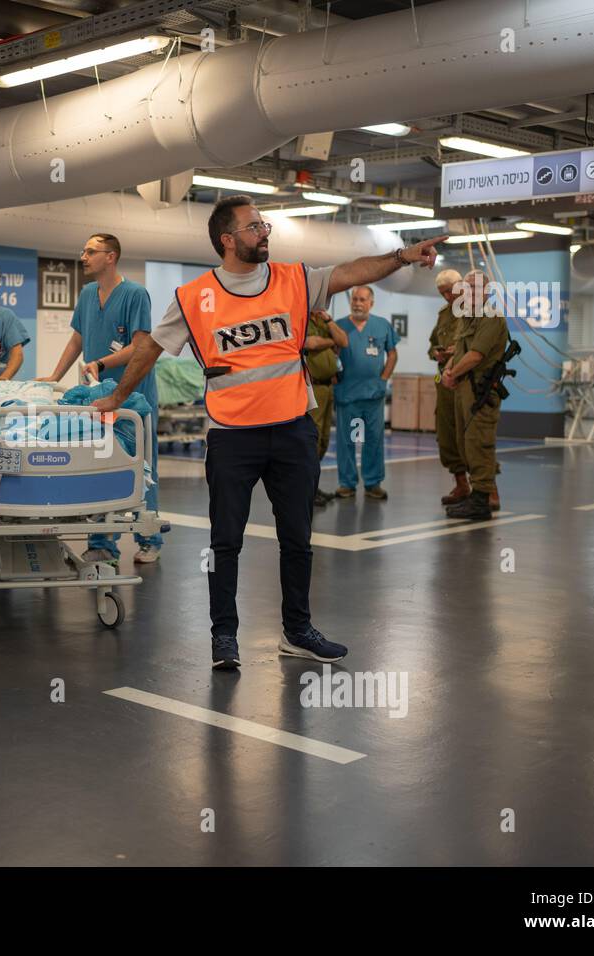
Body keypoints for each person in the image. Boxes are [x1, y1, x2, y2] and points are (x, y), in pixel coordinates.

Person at [92, 195, 444, 669]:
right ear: (227, 240)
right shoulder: (195, 297)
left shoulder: (293, 279)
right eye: (255, 227)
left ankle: (297, 631)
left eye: (264, 225)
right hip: (232, 436)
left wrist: (402, 256)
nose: (265, 233)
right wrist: (115, 398)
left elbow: (351, 272)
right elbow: (151, 347)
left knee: (297, 538)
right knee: (225, 542)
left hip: (292, 431)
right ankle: (223, 636)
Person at [38, 233, 163, 565]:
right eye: (83, 251)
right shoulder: (88, 293)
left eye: (91, 251)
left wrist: (103, 363)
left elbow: (141, 346)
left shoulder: (135, 294)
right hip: (96, 398)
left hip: (132, 397)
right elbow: (77, 338)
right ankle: (102, 544)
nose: (84, 256)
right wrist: (54, 374)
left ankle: (149, 536)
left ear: (111, 256)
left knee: (142, 466)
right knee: (98, 465)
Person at [442, 269, 508, 520]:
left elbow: (476, 355)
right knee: (464, 443)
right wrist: (449, 371)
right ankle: (475, 495)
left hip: (480, 389)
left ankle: (482, 498)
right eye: (467, 287)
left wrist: (453, 373)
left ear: (487, 292)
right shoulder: (466, 317)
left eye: (475, 288)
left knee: (479, 442)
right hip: (463, 388)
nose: (469, 292)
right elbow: (459, 350)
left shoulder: (491, 317)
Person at [333, 285, 397, 500]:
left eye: (362, 299)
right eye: (354, 299)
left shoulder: (382, 326)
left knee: (373, 439)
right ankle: (347, 483)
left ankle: (373, 483)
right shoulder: (339, 326)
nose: (357, 303)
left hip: (373, 395)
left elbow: (392, 354)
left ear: (371, 303)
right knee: (348, 441)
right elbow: (330, 356)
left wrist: (383, 379)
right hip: (348, 395)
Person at [429, 269, 469, 507]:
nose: (446, 297)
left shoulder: (476, 311)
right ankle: (461, 484)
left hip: (467, 381)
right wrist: (435, 352)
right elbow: (432, 343)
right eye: (441, 293)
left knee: (471, 435)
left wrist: (458, 351)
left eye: (449, 291)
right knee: (446, 434)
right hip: (444, 381)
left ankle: (487, 489)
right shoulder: (444, 315)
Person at [303, 308, 348, 505]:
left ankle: (313, 486)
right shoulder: (303, 318)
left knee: (323, 440)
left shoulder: (323, 321)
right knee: (312, 439)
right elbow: (310, 343)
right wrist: (331, 342)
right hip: (313, 387)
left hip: (329, 387)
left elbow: (344, 341)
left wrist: (329, 320)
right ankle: (306, 490)